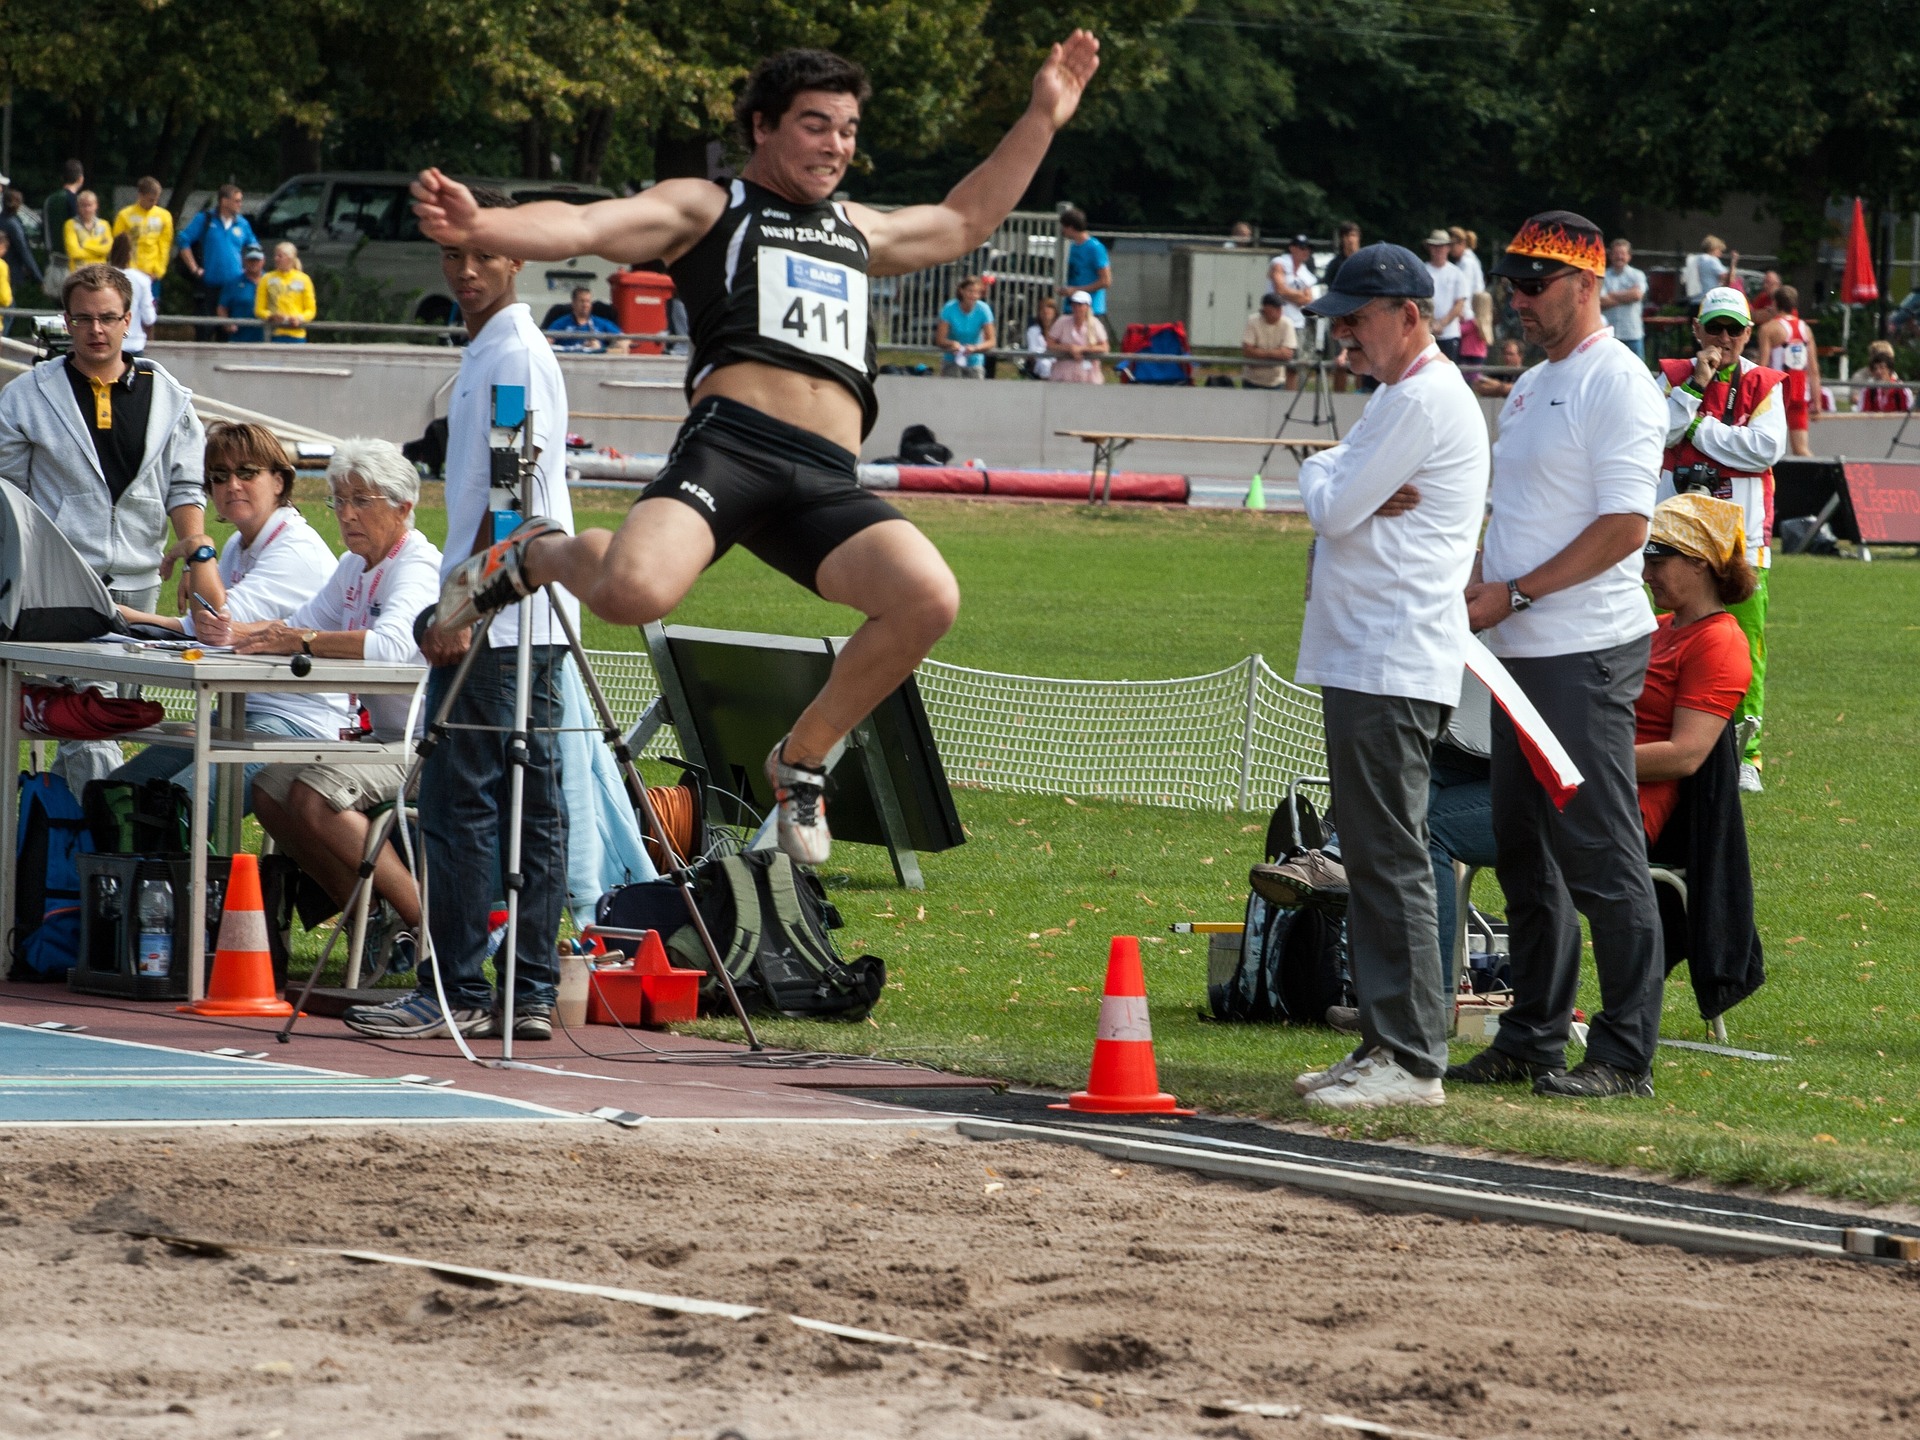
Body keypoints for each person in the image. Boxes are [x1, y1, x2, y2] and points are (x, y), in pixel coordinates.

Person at [414, 34, 1100, 870]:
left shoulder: (855, 230)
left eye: (848, 130)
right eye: (817, 126)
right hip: (732, 449)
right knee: (630, 592)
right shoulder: (711, 208)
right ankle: (539, 550)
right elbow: (587, 225)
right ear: (764, 127)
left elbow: (963, 220)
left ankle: (803, 758)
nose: (837, 145)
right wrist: (484, 223)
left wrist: (1041, 116)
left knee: (926, 598)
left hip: (822, 479)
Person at [344, 185, 581, 1042]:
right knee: (525, 806)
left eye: (485, 253)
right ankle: (520, 990)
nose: (468, 270)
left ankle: (465, 987)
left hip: (504, 621)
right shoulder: (493, 351)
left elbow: (514, 494)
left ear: (518, 256)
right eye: (455, 255)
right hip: (522, 618)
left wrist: (465, 606)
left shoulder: (512, 354)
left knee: (465, 804)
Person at [1261, 243, 1489, 1112]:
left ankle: (1409, 1057)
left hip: (1390, 655)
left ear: (1409, 314)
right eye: (1341, 321)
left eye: (1357, 320)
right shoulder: (1402, 397)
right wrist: (1334, 470)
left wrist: (1328, 471)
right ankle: (1385, 1045)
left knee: (1388, 858)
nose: (1345, 337)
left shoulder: (1421, 400)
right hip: (1375, 652)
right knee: (1377, 854)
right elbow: (1335, 488)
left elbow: (1326, 502)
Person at [1452, 210, 1668, 1101]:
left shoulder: (1618, 382)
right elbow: (1518, 513)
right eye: (1512, 284)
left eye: (1535, 284)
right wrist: (1476, 580)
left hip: (1581, 651)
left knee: (1598, 850)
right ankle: (1534, 1033)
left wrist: (1518, 592)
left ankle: (1623, 1053)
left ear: (1587, 285)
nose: (1519, 300)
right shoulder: (1540, 382)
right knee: (1521, 849)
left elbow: (1626, 525)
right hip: (1519, 649)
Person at [210, 440, 442, 963]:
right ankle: (370, 922)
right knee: (271, 790)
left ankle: (430, 926)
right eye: (339, 501)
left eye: (362, 501)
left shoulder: (418, 566)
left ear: (403, 508)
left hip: (428, 746)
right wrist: (231, 634)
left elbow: (392, 648)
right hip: (382, 741)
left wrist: (299, 641)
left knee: (313, 794)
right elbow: (297, 626)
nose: (347, 514)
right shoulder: (353, 567)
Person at [0, 264, 209, 793]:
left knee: (100, 720)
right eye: (84, 319)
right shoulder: (29, 396)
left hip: (140, 581)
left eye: (108, 318)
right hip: (62, 584)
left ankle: (70, 852)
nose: (97, 330)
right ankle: (98, 847)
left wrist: (194, 546)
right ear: (66, 322)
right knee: (91, 723)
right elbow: (10, 499)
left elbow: (185, 486)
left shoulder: (168, 396)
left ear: (128, 320)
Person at [111, 424, 345, 805]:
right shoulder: (241, 542)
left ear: (280, 482)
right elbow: (201, 628)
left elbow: (214, 627)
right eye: (219, 477)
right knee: (124, 789)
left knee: (177, 803)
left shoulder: (295, 548)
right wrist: (116, 616)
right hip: (238, 714)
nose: (232, 485)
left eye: (247, 473)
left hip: (299, 722)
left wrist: (200, 550)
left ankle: (170, 866)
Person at [1654, 286, 1786, 794]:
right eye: (1715, 327)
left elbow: (1765, 448)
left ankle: (1746, 751)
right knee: (1665, 639)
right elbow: (1656, 432)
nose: (1725, 338)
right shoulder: (1669, 375)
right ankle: (1667, 736)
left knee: (1746, 643)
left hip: (1741, 538)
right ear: (1697, 329)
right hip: (1673, 536)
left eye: (1736, 329)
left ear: (1749, 333)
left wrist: (1700, 430)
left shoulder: (1763, 382)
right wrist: (1694, 391)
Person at [1636, 494, 1755, 845]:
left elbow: (1685, 755)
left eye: (1657, 563)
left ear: (1699, 561)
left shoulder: (1719, 643)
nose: (1646, 575)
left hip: (1628, 811)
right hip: (1592, 794)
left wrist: (1583, 764)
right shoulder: (1656, 628)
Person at [175, 184, 258, 340]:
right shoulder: (205, 219)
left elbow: (254, 247)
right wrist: (194, 268)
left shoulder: (242, 223)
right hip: (209, 286)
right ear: (224, 201)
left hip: (233, 286)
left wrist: (250, 271)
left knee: (228, 333)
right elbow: (183, 240)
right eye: (236, 201)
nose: (240, 204)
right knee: (204, 331)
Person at [1753, 285, 1818, 457]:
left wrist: (1755, 395)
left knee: (1769, 448)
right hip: (1800, 395)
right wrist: (1817, 402)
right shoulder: (1806, 329)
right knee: (1801, 449)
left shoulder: (1768, 329)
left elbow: (1763, 366)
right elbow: (1813, 369)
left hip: (1778, 395)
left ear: (1775, 303)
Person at [111, 177, 174, 285]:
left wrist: (158, 271)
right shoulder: (124, 215)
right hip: (129, 272)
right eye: (150, 199)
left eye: (156, 199)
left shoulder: (164, 216)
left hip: (152, 274)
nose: (154, 203)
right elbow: (119, 246)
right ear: (140, 195)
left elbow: (165, 245)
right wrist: (127, 269)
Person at [1422, 228, 1470, 363]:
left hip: (1449, 333)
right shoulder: (1423, 271)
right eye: (1435, 246)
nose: (1438, 250)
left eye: (1442, 246)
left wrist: (1442, 324)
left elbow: (1460, 302)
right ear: (1429, 248)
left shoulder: (1456, 273)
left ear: (1448, 248)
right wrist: (1431, 323)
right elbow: (1419, 300)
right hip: (1426, 332)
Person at [107, 234, 158, 355]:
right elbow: (149, 318)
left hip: (108, 345)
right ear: (130, 254)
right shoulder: (141, 280)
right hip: (134, 345)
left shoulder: (102, 277)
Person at [936, 276, 995, 378]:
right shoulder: (949, 308)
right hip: (951, 360)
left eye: (977, 292)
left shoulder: (984, 310)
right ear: (961, 291)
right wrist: (952, 344)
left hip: (975, 362)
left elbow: (991, 341)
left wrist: (975, 348)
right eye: (970, 291)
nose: (973, 295)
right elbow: (940, 339)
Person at [257, 242, 317, 341]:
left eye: (280, 256)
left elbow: (311, 310)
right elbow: (259, 309)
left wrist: (299, 319)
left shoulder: (304, 279)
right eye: (275, 255)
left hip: (297, 334)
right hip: (274, 334)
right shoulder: (266, 278)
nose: (276, 259)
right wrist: (271, 316)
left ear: (290, 258)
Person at [1599, 237, 1648, 359]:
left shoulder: (1637, 275)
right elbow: (1600, 302)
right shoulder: (1602, 276)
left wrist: (1611, 295)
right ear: (1610, 255)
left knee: (1636, 373)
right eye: (1616, 253)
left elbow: (1637, 295)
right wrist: (1628, 295)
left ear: (1629, 256)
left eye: (1623, 253)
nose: (1619, 257)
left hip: (1632, 333)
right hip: (1609, 335)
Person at [41, 160, 84, 296]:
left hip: (53, 261)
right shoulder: (76, 202)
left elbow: (43, 230)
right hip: (72, 264)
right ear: (80, 179)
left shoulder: (49, 200)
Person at [1048, 289, 1108, 383]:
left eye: (1080, 304)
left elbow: (1104, 347)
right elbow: (1050, 344)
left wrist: (1082, 349)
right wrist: (1069, 348)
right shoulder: (1062, 321)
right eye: (1074, 304)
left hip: (1089, 376)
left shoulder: (1095, 324)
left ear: (1087, 307)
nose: (1076, 307)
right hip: (1063, 374)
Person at [1060, 205, 1110, 320]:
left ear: (1071, 227)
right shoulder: (1072, 247)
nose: (1062, 230)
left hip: (1091, 309)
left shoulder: (1095, 248)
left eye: (1064, 226)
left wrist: (1076, 290)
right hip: (1071, 307)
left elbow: (1106, 281)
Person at [1240, 291, 1296, 389]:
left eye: (1280, 307)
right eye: (1276, 307)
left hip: (1276, 382)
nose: (1280, 310)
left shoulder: (1287, 324)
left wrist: (1258, 352)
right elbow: (1247, 351)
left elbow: (1287, 354)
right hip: (1251, 381)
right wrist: (1276, 353)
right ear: (1265, 308)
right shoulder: (1252, 321)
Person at [546, 285, 623, 352]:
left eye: (588, 301)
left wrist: (602, 349)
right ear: (573, 303)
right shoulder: (561, 323)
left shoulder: (601, 323)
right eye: (582, 301)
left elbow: (623, 340)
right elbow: (546, 343)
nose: (585, 305)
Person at [0, 189, 44, 296]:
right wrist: (39, 278)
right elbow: (24, 251)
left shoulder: (2, 219)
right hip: (10, 271)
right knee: (8, 303)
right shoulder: (13, 225)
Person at [220, 245, 268, 342]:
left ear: (263, 261)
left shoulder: (272, 281)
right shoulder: (233, 282)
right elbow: (222, 308)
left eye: (257, 260)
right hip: (239, 338)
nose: (253, 263)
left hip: (267, 337)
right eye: (250, 260)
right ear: (244, 261)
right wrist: (227, 324)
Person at [1859, 340, 1914, 412]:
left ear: (1890, 370)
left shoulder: (1902, 390)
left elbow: (1909, 415)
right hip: (1873, 423)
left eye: (1882, 367)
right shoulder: (1868, 390)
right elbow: (1862, 415)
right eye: (1875, 369)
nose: (1878, 372)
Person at [64, 190, 111, 269]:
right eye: (83, 205)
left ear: (96, 205)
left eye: (89, 205)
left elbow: (108, 249)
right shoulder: (70, 224)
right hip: (79, 272)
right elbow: (73, 252)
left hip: (100, 272)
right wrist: (98, 251)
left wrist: (85, 246)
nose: (87, 209)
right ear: (78, 207)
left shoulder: (104, 224)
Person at [1682, 235, 1735, 302]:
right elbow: (1729, 279)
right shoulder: (1712, 260)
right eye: (1720, 250)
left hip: (1694, 300)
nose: (1721, 254)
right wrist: (1733, 262)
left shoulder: (1694, 259)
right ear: (1713, 248)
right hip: (1708, 300)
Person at [1023, 295, 1058, 379]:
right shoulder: (1033, 330)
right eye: (1042, 308)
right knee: (1045, 364)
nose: (1046, 311)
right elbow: (1033, 351)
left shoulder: (1061, 329)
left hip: (1059, 362)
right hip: (1040, 364)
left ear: (1055, 312)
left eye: (1050, 308)